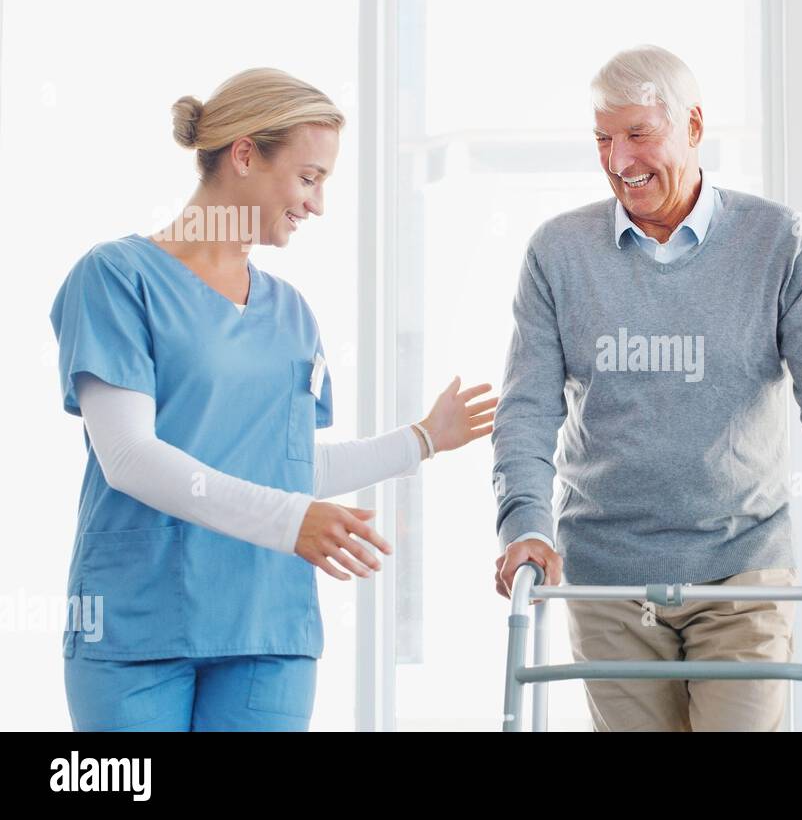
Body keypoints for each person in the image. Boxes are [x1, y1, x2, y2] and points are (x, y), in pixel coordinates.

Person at [50, 68, 497, 731]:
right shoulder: (117, 278)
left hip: (268, 632)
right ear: (243, 153)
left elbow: (280, 467)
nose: (317, 203)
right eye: (309, 177)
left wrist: (422, 439)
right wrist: (294, 521)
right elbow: (128, 458)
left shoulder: (291, 315)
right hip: (135, 629)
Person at [491, 46, 802, 731]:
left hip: (741, 564)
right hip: (610, 572)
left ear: (694, 126)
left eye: (638, 135)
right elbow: (526, 411)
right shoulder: (557, 254)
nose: (619, 160)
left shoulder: (777, 242)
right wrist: (525, 526)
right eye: (602, 139)